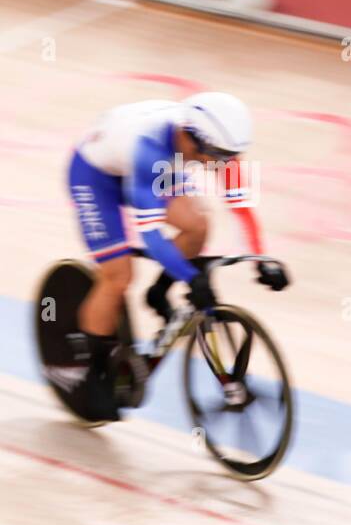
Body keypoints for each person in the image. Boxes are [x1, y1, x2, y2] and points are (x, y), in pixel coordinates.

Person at [68, 92, 288, 420]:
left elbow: (241, 208)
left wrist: (261, 260)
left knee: (198, 225)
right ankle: (93, 373)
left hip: (151, 166)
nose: (219, 164)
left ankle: (158, 293)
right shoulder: (149, 150)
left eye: (227, 157)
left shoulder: (214, 144)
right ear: (190, 137)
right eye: (214, 156)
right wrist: (191, 278)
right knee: (118, 276)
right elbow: (152, 236)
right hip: (95, 177)